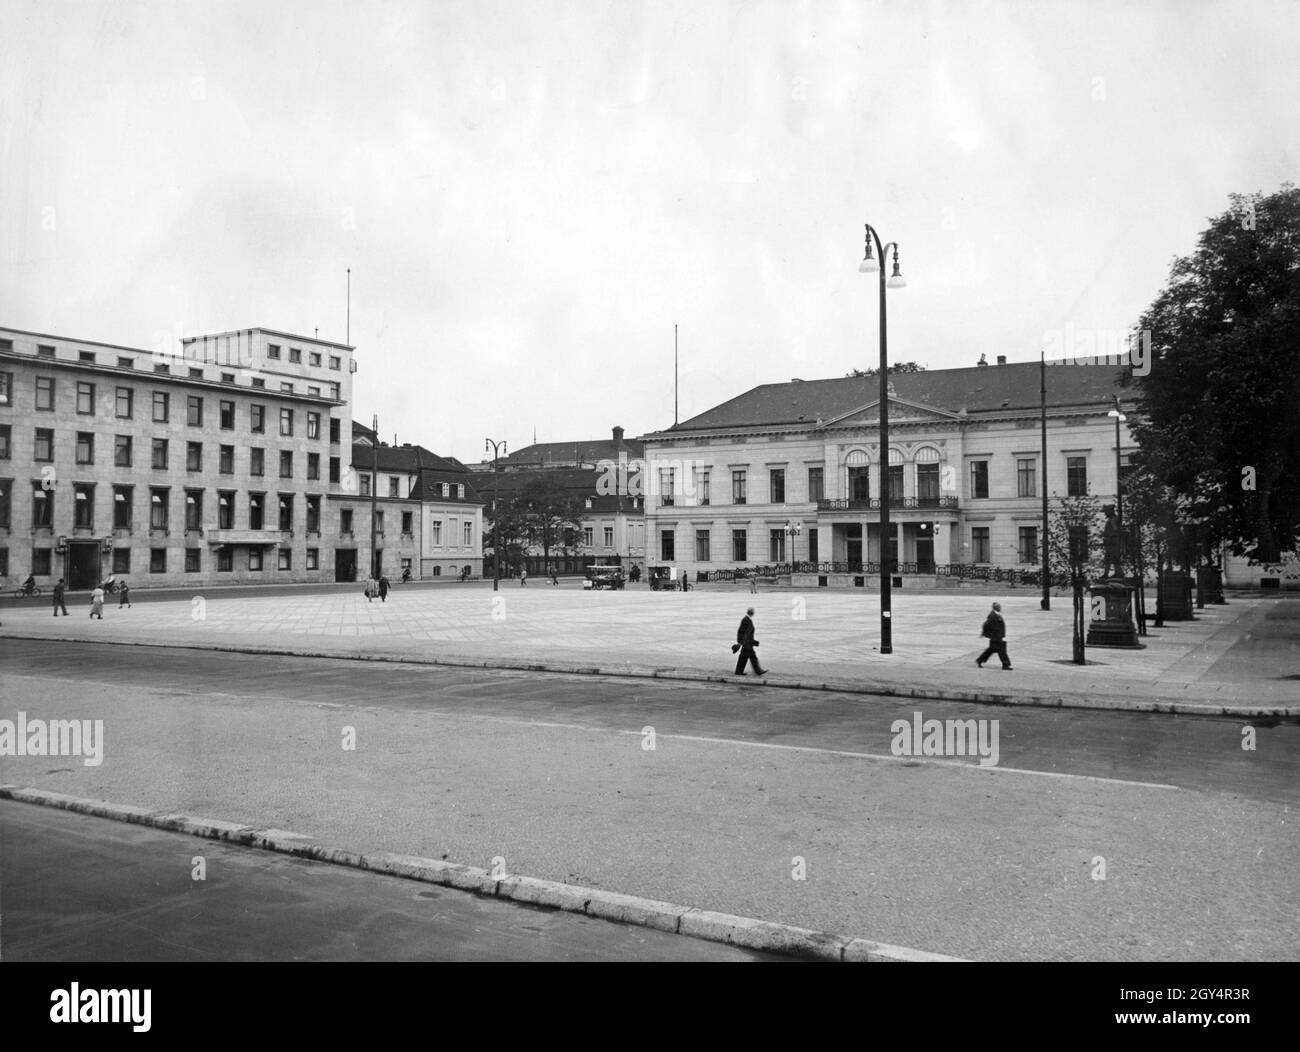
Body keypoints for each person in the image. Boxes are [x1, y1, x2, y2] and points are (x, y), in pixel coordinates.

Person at [976, 601, 1013, 670]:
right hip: (995, 637)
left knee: (991, 650)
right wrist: (984, 633)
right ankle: (1006, 665)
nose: (1000, 608)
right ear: (995, 608)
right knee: (1002, 651)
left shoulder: (997, 614)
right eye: (998, 607)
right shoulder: (992, 615)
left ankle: (980, 660)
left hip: (998, 636)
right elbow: (986, 625)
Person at [733, 606, 767, 676]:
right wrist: (741, 642)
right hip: (747, 643)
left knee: (745, 657)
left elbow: (744, 632)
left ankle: (739, 671)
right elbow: (743, 632)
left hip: (747, 642)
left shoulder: (746, 620)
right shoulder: (746, 620)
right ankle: (758, 671)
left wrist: (751, 642)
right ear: (752, 613)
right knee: (751, 657)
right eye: (753, 613)